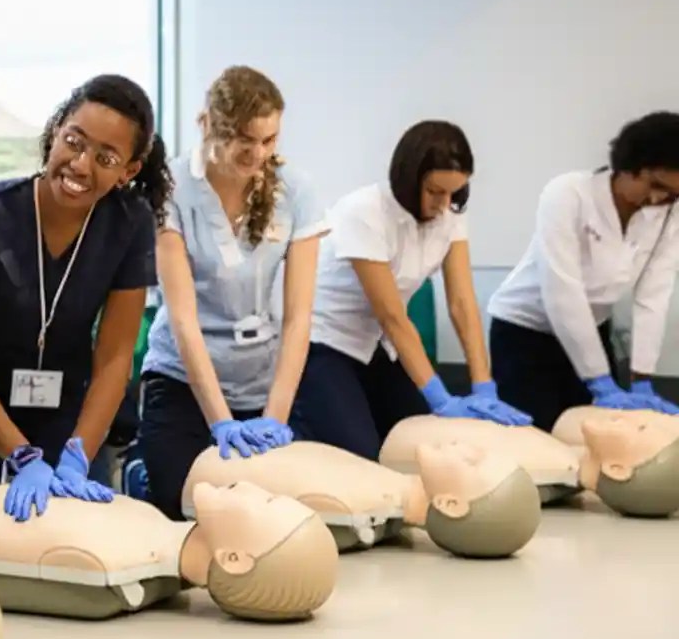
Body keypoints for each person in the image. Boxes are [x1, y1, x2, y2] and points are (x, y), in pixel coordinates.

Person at [0, 74, 173, 523]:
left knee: (80, 504)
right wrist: (20, 455)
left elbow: (116, 357)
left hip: (59, 394)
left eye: (105, 157)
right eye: (74, 141)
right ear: (56, 130)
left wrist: (79, 453)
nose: (81, 165)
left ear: (129, 171)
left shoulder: (129, 224)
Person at [128, 66, 329, 520]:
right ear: (207, 125)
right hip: (183, 376)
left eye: (270, 140)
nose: (258, 153)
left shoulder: (296, 190)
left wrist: (275, 419)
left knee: (263, 506)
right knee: (183, 502)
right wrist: (220, 422)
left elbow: (299, 317)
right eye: (245, 139)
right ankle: (144, 467)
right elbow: (182, 318)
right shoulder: (170, 188)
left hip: (260, 378)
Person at [289, 121, 532, 460]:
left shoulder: (450, 214)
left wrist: (483, 386)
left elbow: (461, 303)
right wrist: (440, 397)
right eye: (435, 191)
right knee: (361, 454)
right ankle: (298, 421)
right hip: (324, 343)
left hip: (379, 349)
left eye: (454, 193)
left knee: (420, 444)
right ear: (408, 178)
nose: (444, 204)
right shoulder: (364, 212)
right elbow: (391, 315)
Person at [487, 112, 679, 431]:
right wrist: (599, 380)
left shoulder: (667, 214)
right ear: (628, 165)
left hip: (592, 327)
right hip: (525, 332)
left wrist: (641, 377)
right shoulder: (568, 194)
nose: (659, 199)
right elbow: (563, 292)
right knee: (537, 435)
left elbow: (653, 296)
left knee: (597, 433)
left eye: (672, 194)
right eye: (655, 185)